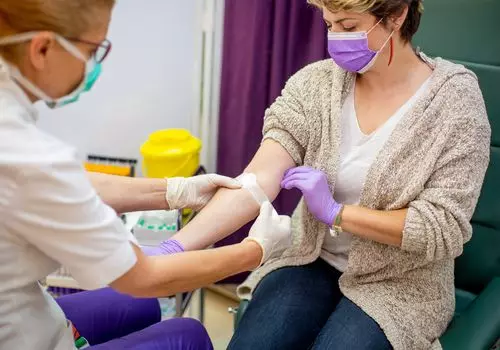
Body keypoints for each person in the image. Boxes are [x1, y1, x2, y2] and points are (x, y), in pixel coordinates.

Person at [169, 0, 492, 349]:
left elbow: (442, 227)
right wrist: (175, 247)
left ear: (397, 15)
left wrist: (339, 214)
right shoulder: (317, 85)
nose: (335, 38)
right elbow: (255, 181)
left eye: (349, 27)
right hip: (312, 256)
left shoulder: (455, 102)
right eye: (329, 25)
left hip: (401, 282)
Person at [0, 1, 292, 349]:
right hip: (21, 335)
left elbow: (61, 183)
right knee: (188, 334)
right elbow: (144, 278)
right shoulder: (26, 155)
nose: (94, 66)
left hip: (28, 310)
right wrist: (255, 250)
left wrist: (173, 191)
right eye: (93, 50)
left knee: (146, 304)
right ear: (42, 48)